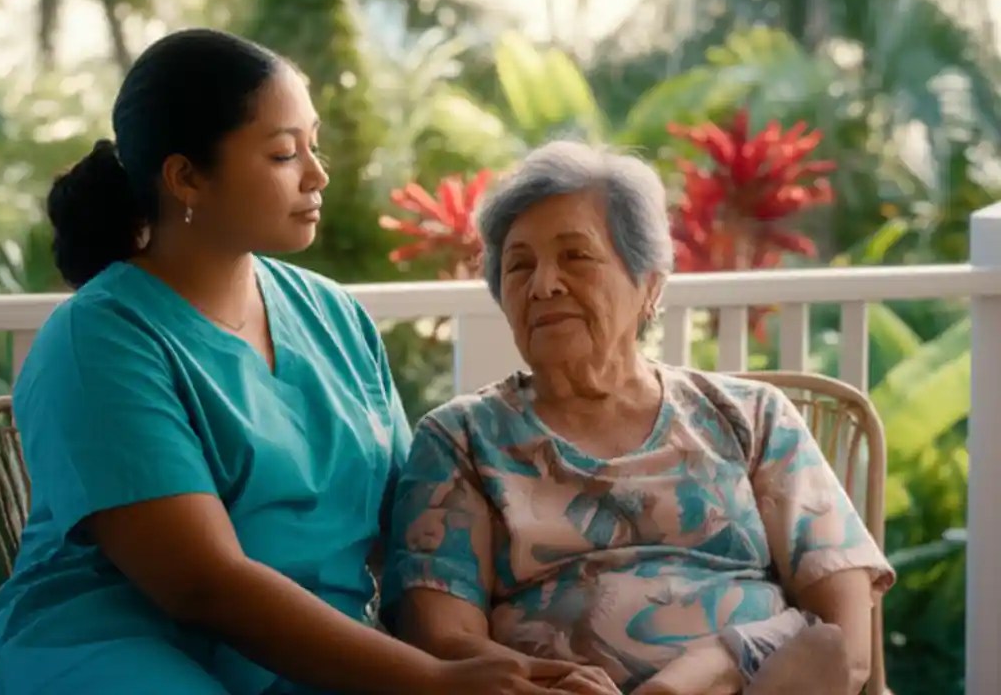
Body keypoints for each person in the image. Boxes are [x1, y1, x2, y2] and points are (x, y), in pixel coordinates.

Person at [0, 28, 601, 695]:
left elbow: (413, 529)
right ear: (187, 178)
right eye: (284, 153)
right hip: (113, 657)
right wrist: (433, 680)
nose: (317, 174)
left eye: (312, 145)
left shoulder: (331, 315)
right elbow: (203, 585)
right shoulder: (98, 339)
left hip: (316, 663)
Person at [381, 141, 896, 695]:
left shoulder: (749, 418)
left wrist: (712, 672)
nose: (544, 284)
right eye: (519, 265)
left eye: (575, 256)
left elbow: (846, 638)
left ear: (649, 286)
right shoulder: (462, 440)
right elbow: (442, 640)